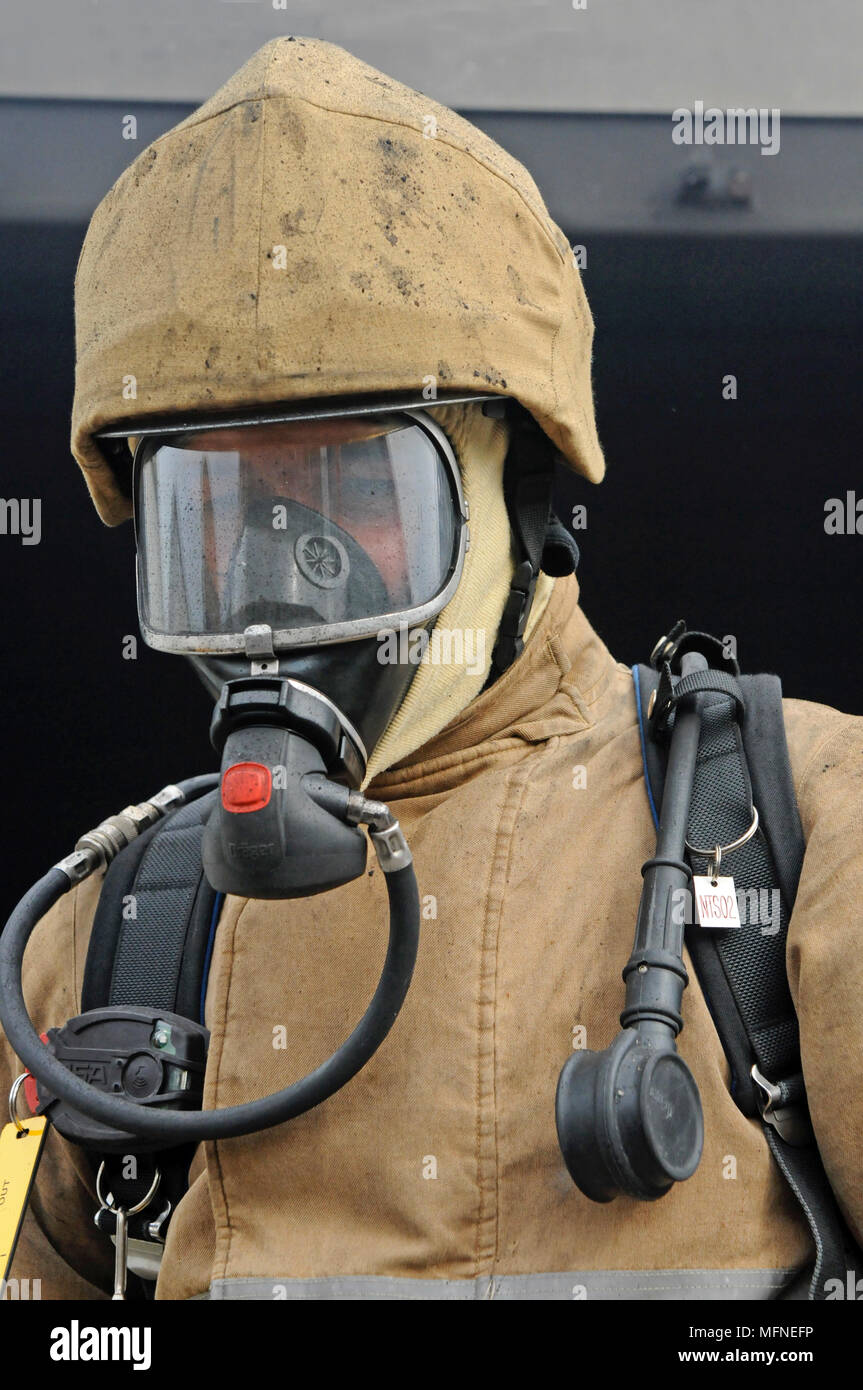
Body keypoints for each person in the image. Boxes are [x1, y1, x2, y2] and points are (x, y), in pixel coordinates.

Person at [2, 36, 861, 1302]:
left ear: (520, 488)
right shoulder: (105, 936)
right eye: (221, 504)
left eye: (359, 483)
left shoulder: (804, 836)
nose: (283, 573)